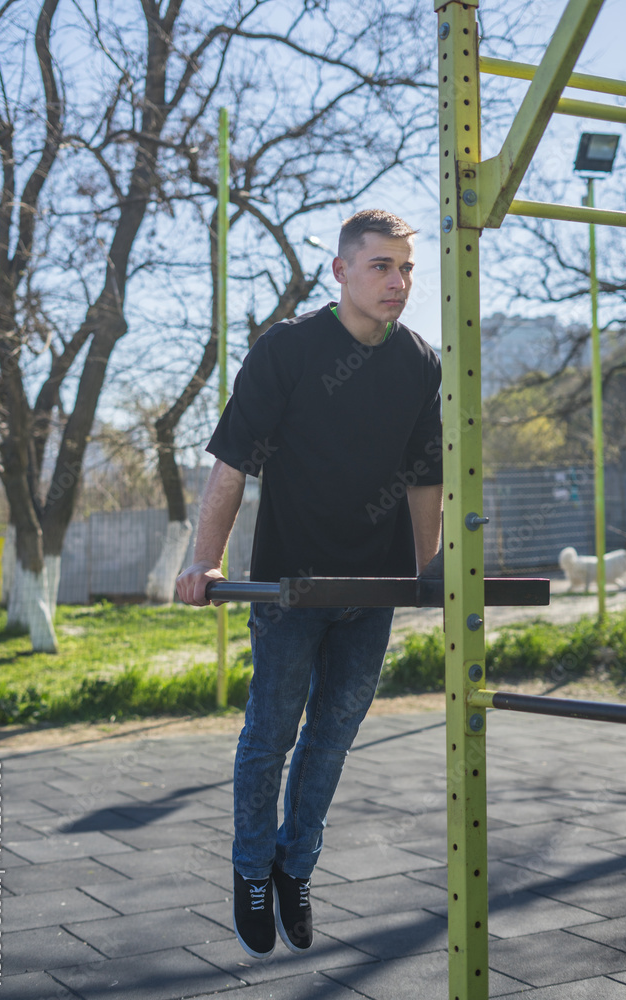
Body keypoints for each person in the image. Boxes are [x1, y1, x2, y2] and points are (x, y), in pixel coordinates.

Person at [176, 208, 443, 960]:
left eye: (406, 269)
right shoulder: (289, 350)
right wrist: (202, 559)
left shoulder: (421, 360)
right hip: (291, 585)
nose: (398, 282)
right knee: (271, 736)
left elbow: (427, 477)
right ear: (340, 271)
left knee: (332, 738)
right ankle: (251, 870)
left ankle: (297, 866)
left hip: (376, 587)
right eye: (381, 266)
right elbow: (232, 459)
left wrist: (425, 574)